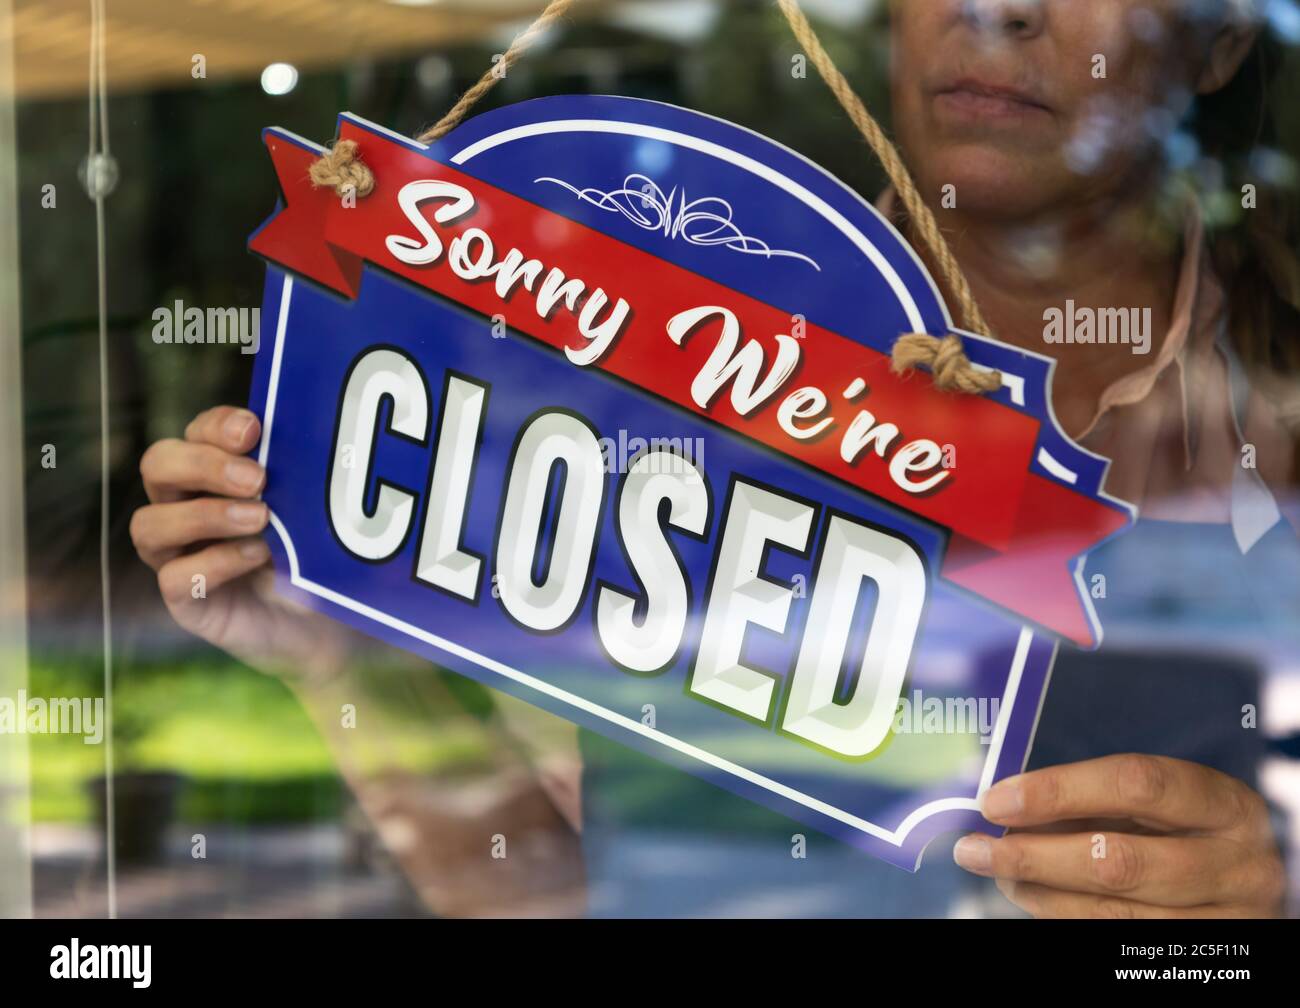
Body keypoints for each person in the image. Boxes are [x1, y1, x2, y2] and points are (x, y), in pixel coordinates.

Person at [130, 0, 1294, 917]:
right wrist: (340, 664)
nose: (999, 8)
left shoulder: (1272, 396)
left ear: (1224, 37)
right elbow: (554, 899)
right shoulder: (661, 364)